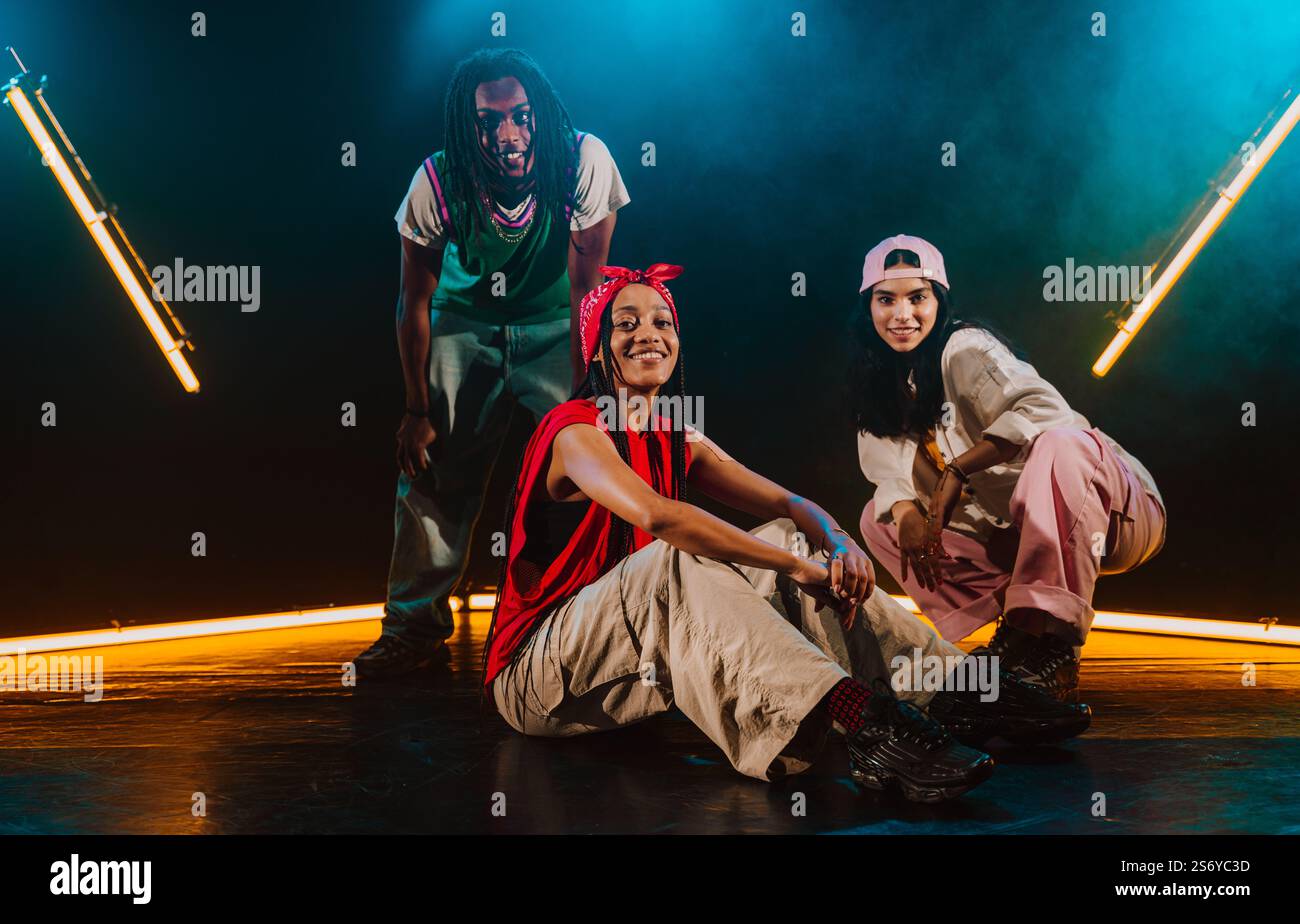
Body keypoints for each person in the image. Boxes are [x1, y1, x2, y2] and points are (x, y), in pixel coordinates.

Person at [483, 263, 1089, 803]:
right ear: (597, 347)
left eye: (662, 322)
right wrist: (799, 571)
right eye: (626, 323)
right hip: (541, 679)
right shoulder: (575, 432)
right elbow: (661, 517)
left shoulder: (671, 431)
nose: (649, 334)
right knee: (681, 557)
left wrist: (835, 542)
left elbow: (791, 503)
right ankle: (866, 724)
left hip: (627, 665)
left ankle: (960, 689)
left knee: (783, 537)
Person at [355, 49, 629, 678]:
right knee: (432, 472)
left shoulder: (583, 159)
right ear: (465, 125)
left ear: (542, 117)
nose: (508, 136)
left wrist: (594, 392)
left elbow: (589, 289)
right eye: (489, 122)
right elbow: (413, 299)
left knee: (592, 464)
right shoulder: (436, 180)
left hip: (555, 322)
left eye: (522, 117)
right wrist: (417, 409)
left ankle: (601, 618)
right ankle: (412, 629)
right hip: (463, 325)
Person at [851, 235, 1167, 703]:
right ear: (869, 307)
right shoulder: (884, 379)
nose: (902, 315)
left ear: (939, 299)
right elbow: (884, 467)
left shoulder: (965, 347)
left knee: (1061, 445)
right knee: (879, 521)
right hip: (1023, 535)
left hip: (1117, 514)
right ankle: (1021, 634)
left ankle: (1053, 642)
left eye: (917, 297)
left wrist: (959, 469)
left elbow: (1043, 410)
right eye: (886, 300)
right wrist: (906, 513)